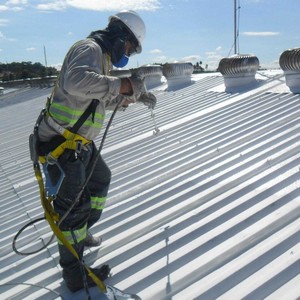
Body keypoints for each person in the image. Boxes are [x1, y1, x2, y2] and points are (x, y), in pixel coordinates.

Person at [36, 10, 156, 292]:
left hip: (79, 143)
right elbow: (75, 82)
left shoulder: (101, 60)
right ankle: (75, 274)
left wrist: (130, 98)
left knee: (101, 180)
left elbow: (93, 99)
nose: (127, 53)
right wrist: (125, 84)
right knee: (72, 209)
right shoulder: (88, 48)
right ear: (120, 36)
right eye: (129, 47)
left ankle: (82, 232)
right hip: (60, 144)